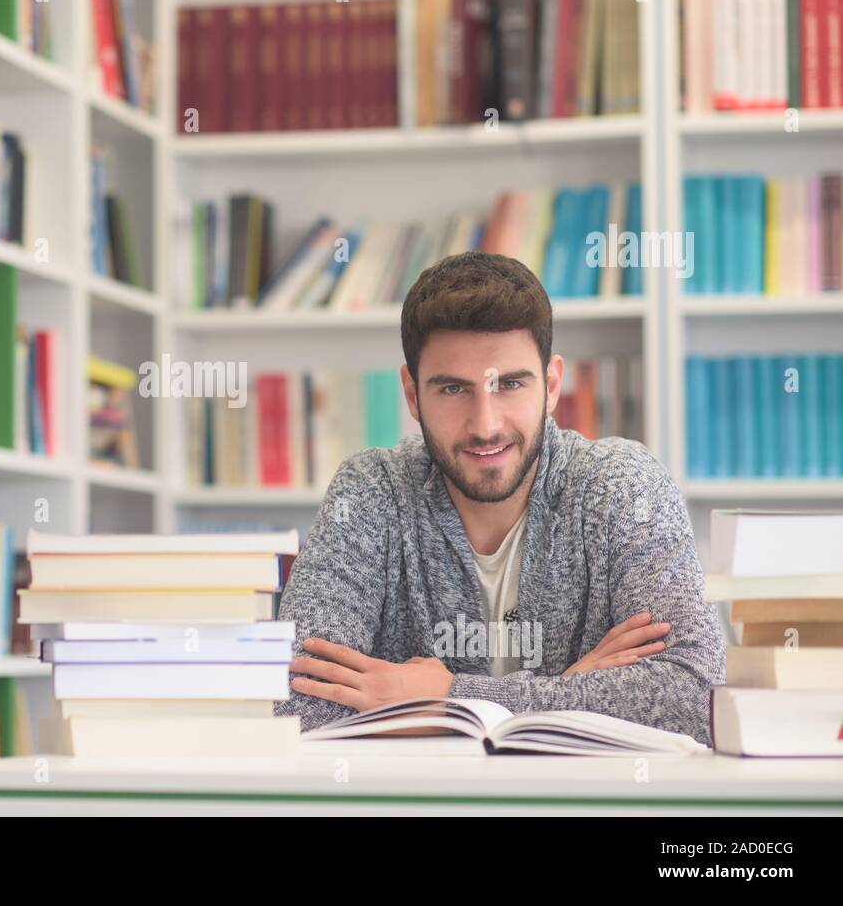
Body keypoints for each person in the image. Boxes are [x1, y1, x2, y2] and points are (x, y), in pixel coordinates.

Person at [276, 251, 725, 745]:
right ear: (411, 393)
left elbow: (696, 698)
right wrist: (570, 691)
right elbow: (293, 701)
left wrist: (450, 698)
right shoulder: (368, 494)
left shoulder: (620, 487)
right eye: (452, 389)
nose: (485, 425)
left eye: (510, 384)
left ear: (552, 385)